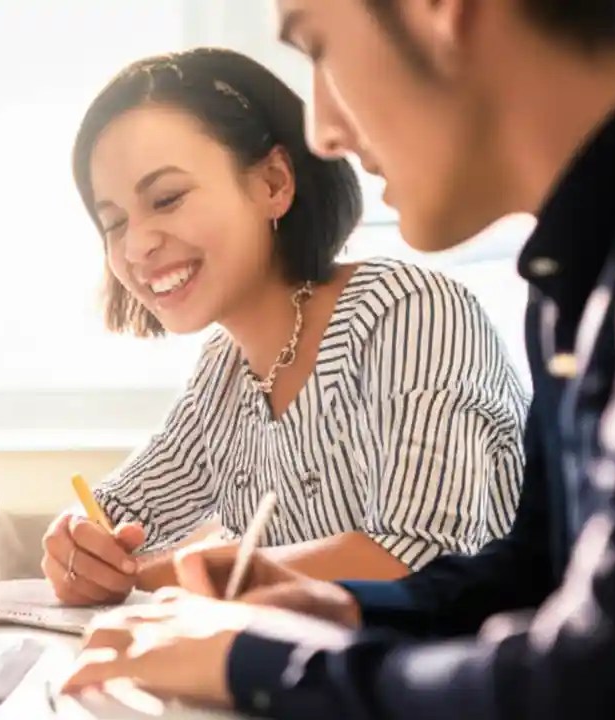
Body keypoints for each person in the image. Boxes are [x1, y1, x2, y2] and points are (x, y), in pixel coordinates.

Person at [59, 0, 615, 717]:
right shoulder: (577, 266)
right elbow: (536, 576)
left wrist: (262, 663)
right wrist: (341, 608)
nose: (323, 133)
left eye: (320, 47)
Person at [41, 48, 528, 607]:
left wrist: (169, 573)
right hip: (316, 684)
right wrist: (77, 544)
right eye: (115, 222)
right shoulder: (222, 375)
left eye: (167, 198)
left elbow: (416, 558)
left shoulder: (414, 313)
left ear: (273, 182)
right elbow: (114, 517)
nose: (136, 244)